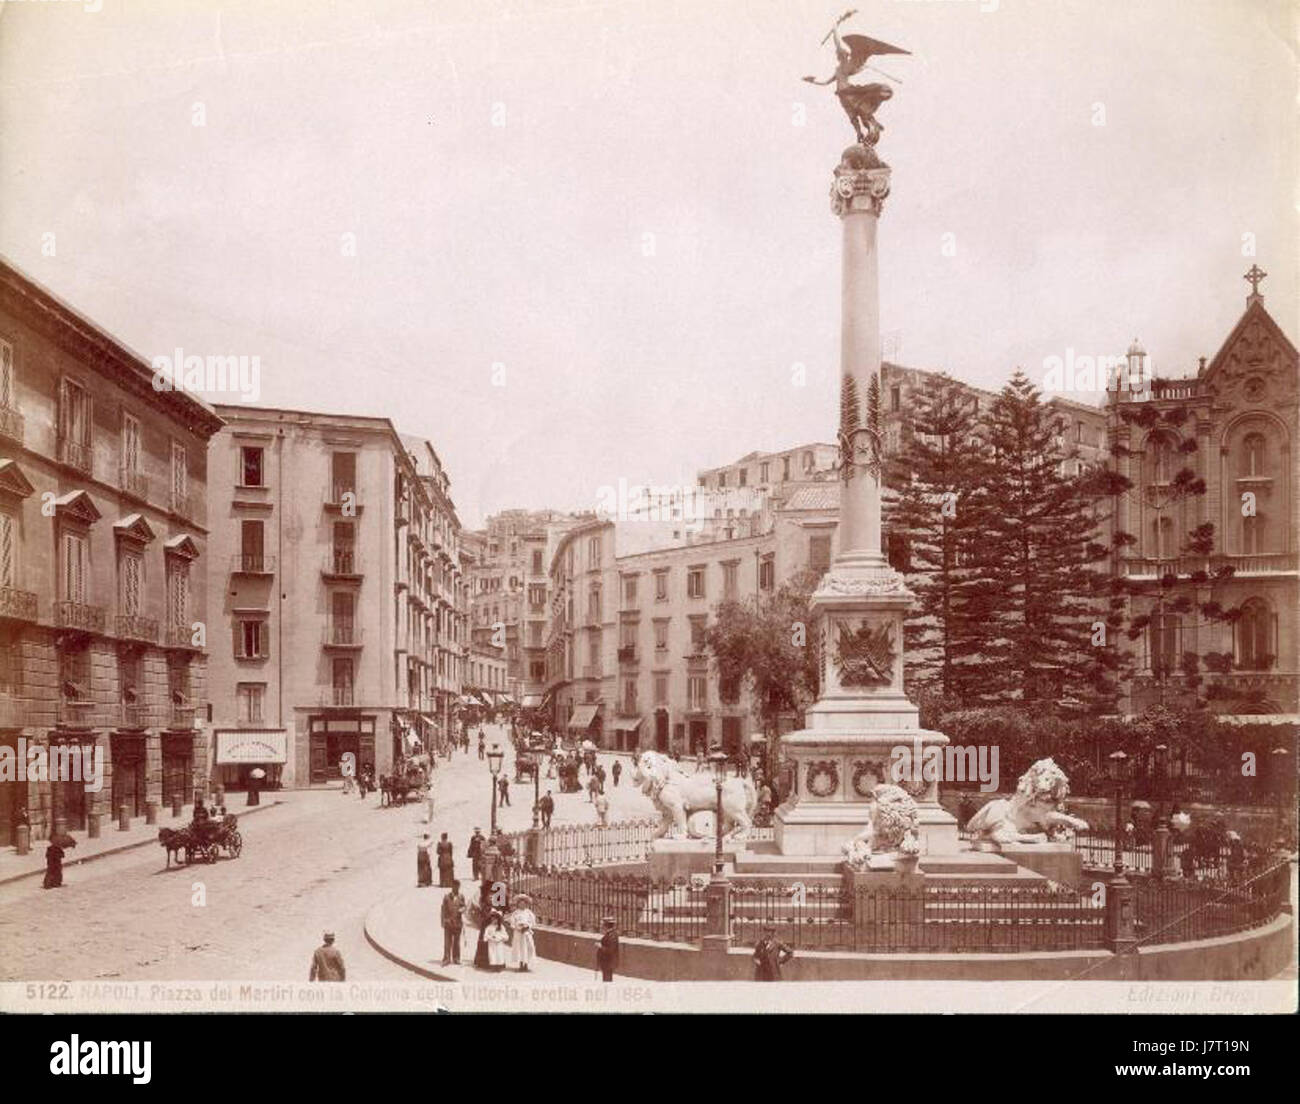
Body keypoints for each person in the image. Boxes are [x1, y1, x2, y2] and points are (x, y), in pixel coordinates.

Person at [508, 895, 537, 972]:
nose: (522, 905)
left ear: (527, 904)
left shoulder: (529, 913)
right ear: (518, 904)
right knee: (520, 948)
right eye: (520, 904)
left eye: (524, 904)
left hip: (527, 933)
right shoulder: (515, 913)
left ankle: (526, 964)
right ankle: (521, 964)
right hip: (519, 933)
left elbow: (533, 922)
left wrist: (527, 926)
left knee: (527, 948)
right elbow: (512, 923)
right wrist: (518, 927)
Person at [441, 880, 466, 965]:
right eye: (454, 886)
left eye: (457, 886)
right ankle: (446, 958)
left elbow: (464, 906)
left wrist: (462, 909)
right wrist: (443, 921)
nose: (456, 888)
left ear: (459, 887)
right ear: (452, 887)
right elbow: (443, 910)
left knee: (457, 942)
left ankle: (456, 958)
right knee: (447, 942)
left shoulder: (461, 896)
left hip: (458, 923)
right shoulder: (447, 897)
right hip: (448, 922)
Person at [596, 916, 619, 981]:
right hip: (606, 962)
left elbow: (611, 950)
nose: (601, 926)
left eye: (602, 925)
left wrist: (600, 946)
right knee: (606, 978)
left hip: (609, 962)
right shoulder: (609, 934)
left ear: (606, 926)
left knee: (607, 980)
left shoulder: (612, 935)